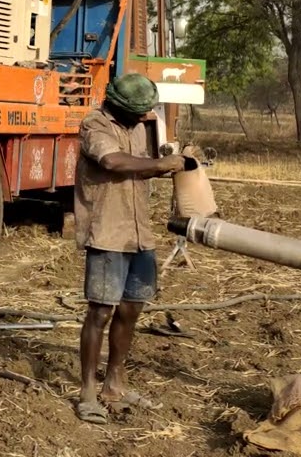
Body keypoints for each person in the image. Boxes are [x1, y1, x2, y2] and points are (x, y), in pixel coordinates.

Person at [74, 72, 193, 424]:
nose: (145, 118)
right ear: (119, 107)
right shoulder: (95, 125)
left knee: (132, 309)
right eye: (139, 112)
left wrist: (175, 163)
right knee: (100, 313)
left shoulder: (139, 128)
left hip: (139, 233)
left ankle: (115, 383)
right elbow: (112, 162)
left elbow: (139, 169)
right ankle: (87, 391)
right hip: (108, 231)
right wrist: (160, 164)